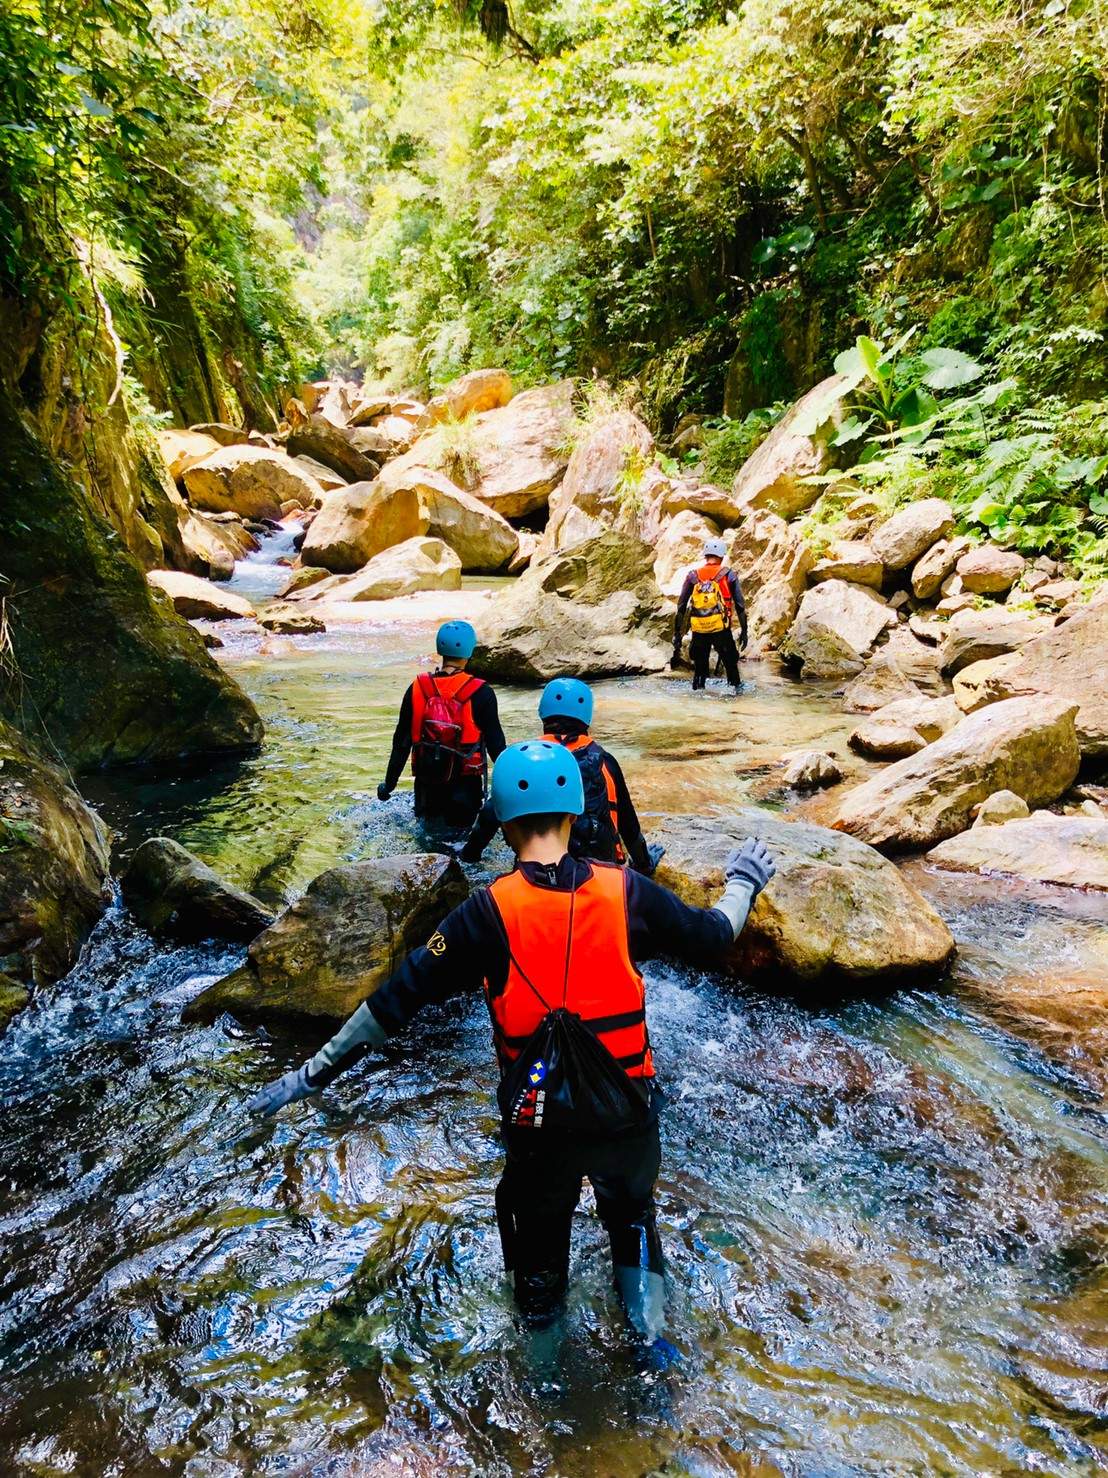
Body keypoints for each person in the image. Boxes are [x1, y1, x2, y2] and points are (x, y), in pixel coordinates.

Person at [249, 740, 777, 1356]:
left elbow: (396, 1000)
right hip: (626, 1113)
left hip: (538, 1124)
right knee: (632, 1222)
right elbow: (712, 934)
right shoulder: (628, 891)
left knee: (540, 1257)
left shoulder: (483, 912)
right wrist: (742, 882)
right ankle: (652, 1358)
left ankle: (543, 1388)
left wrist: (310, 1075)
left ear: (499, 821)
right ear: (577, 812)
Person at [456, 677, 661, 874]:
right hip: (599, 872)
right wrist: (644, 864)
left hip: (538, 872)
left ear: (542, 713)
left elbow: (491, 813)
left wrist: (469, 856)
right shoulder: (605, 762)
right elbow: (628, 825)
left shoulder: (526, 759)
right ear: (586, 717)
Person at [377, 619, 506, 832]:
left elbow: (401, 743)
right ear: (470, 652)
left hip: (427, 791)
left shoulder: (417, 688)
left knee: (428, 850)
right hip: (465, 793)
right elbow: (497, 748)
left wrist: (388, 785)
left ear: (440, 648)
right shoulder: (481, 692)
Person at [672, 536, 748, 691]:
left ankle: (699, 705)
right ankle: (738, 702)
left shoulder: (693, 576)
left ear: (705, 555)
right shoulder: (729, 575)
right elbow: (740, 606)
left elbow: (681, 606)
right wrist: (744, 631)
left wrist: (677, 633)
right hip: (721, 629)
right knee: (731, 669)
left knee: (699, 672)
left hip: (699, 630)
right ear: (722, 555)